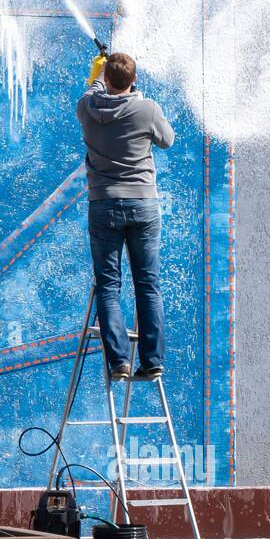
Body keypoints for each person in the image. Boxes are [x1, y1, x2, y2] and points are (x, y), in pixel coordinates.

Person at [76, 52, 175, 382]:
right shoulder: (146, 109)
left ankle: (118, 361)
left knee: (108, 286)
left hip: (103, 204)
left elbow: (93, 91)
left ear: (106, 77)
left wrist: (98, 75)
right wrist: (139, 97)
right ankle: (152, 361)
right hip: (143, 205)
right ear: (133, 80)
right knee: (147, 285)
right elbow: (167, 140)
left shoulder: (86, 107)